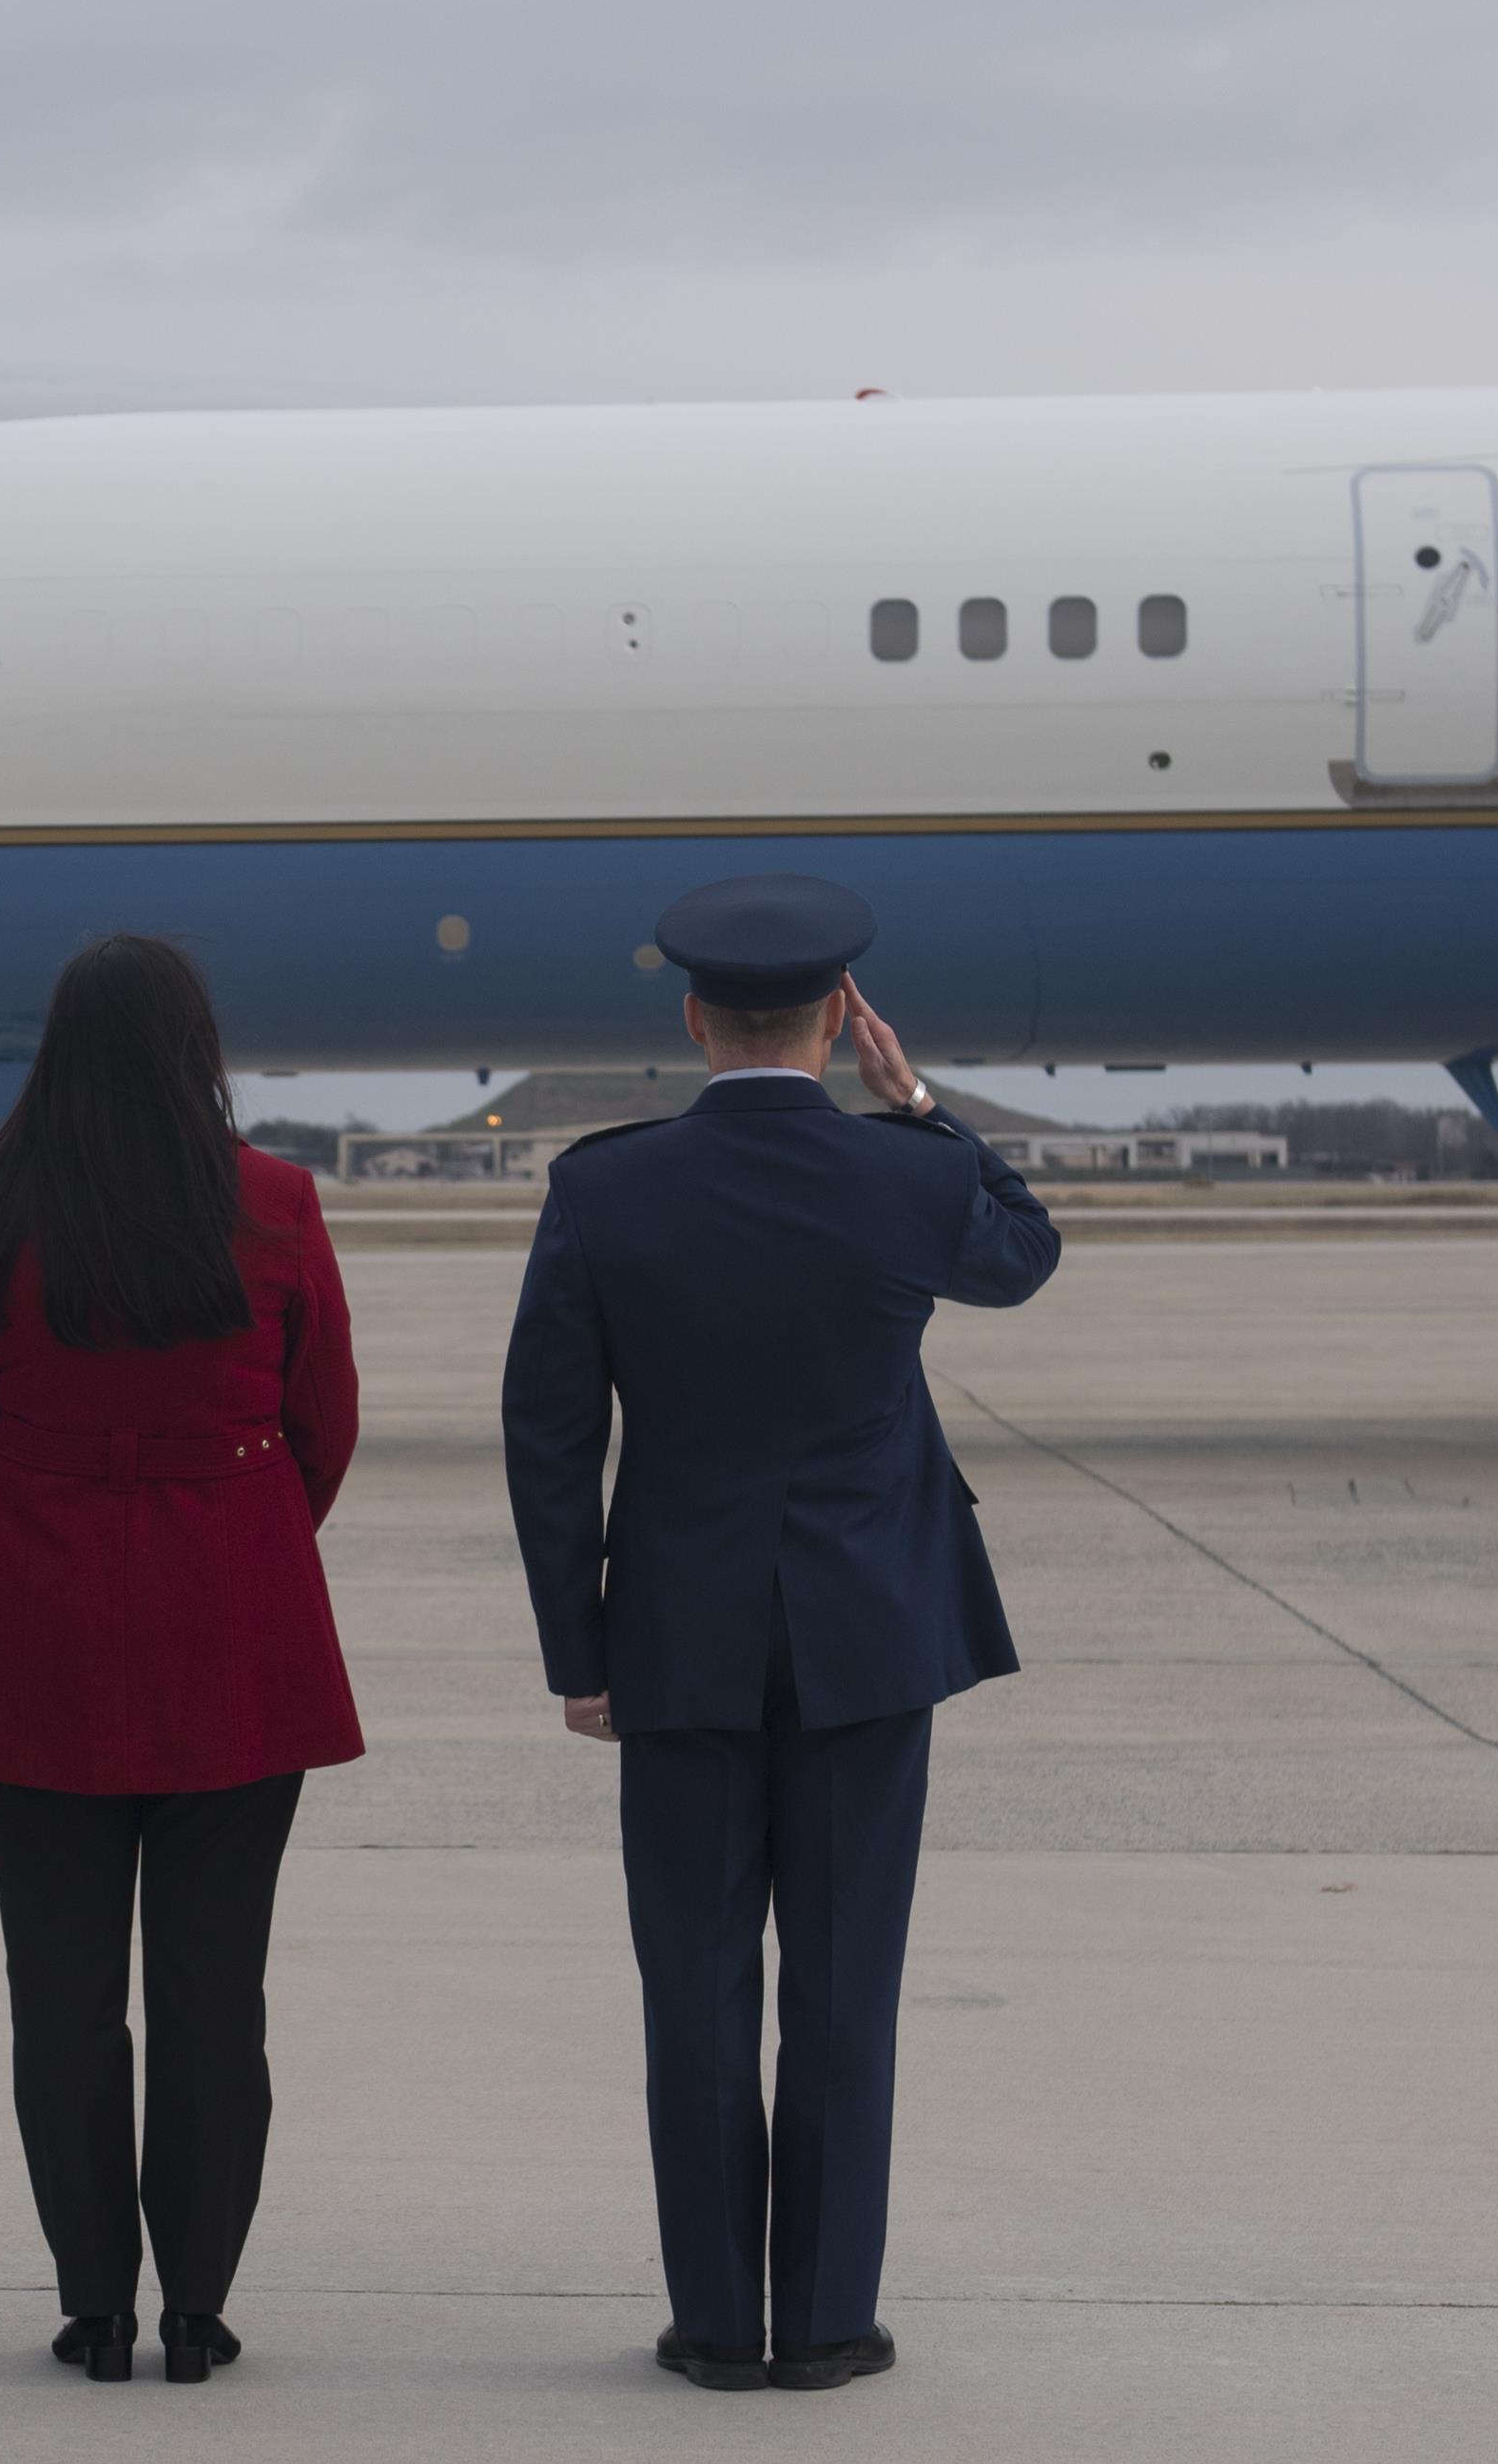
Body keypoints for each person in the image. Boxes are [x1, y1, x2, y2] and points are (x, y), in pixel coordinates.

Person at [498, 875, 1058, 2395]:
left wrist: (578, 1652)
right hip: (870, 1638)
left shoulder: (607, 1189)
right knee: (845, 1992)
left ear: (694, 1019)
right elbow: (1024, 1253)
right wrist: (920, 1100)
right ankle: (822, 2322)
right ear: (837, 1022)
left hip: (677, 1642)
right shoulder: (908, 1176)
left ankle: (712, 2326)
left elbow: (549, 1438)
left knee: (693, 1995)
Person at [0, 935, 362, 2387]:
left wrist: (47, 1518)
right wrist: (239, 1523)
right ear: (194, 1048)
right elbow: (324, 1425)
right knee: (216, 1991)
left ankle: (94, 2302)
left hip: (37, 1615)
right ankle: (200, 2304)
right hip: (237, 1616)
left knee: (61, 1996)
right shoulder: (275, 1200)